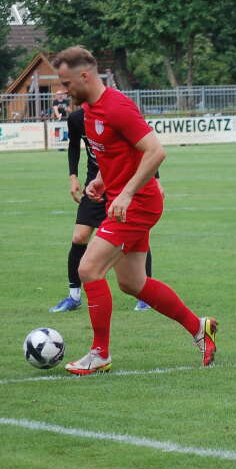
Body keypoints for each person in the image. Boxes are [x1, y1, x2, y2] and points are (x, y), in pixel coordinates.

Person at [51, 45, 217, 375]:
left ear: (85, 75)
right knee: (133, 282)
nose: (62, 89)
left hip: (138, 204)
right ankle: (201, 328)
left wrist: (125, 193)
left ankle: (100, 353)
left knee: (89, 269)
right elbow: (117, 154)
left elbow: (155, 152)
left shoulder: (116, 107)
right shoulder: (90, 109)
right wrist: (100, 180)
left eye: (66, 82)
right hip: (122, 200)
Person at [49, 105, 155, 314]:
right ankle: (74, 296)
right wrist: (73, 178)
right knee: (79, 237)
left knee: (135, 236)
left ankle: (145, 295)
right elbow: (72, 146)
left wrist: (155, 180)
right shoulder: (77, 118)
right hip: (95, 183)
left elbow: (144, 148)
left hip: (123, 182)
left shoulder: (115, 113)